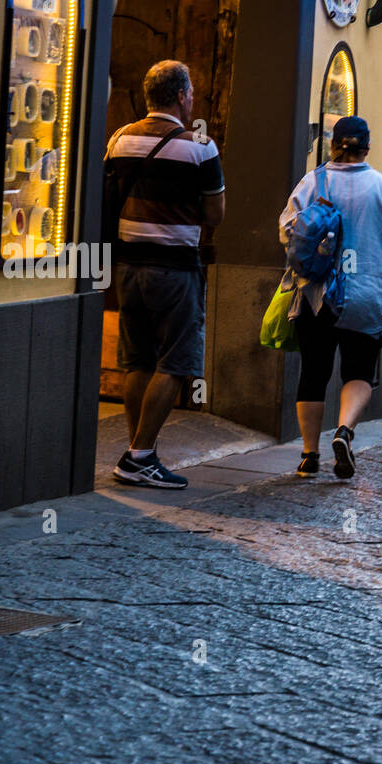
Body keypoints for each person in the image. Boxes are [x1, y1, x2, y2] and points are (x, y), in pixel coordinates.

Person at [279, 116, 382, 479]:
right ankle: (344, 431)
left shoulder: (314, 182)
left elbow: (286, 231)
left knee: (313, 371)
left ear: (333, 145)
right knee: (358, 372)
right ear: (367, 148)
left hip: (317, 295)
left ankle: (309, 456)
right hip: (365, 297)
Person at [105, 60, 225, 489]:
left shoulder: (120, 138)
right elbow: (216, 213)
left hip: (128, 266)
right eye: (190, 92)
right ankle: (140, 455)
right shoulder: (200, 145)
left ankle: (139, 453)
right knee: (176, 361)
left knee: (137, 360)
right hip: (175, 268)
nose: (193, 98)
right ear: (180, 96)